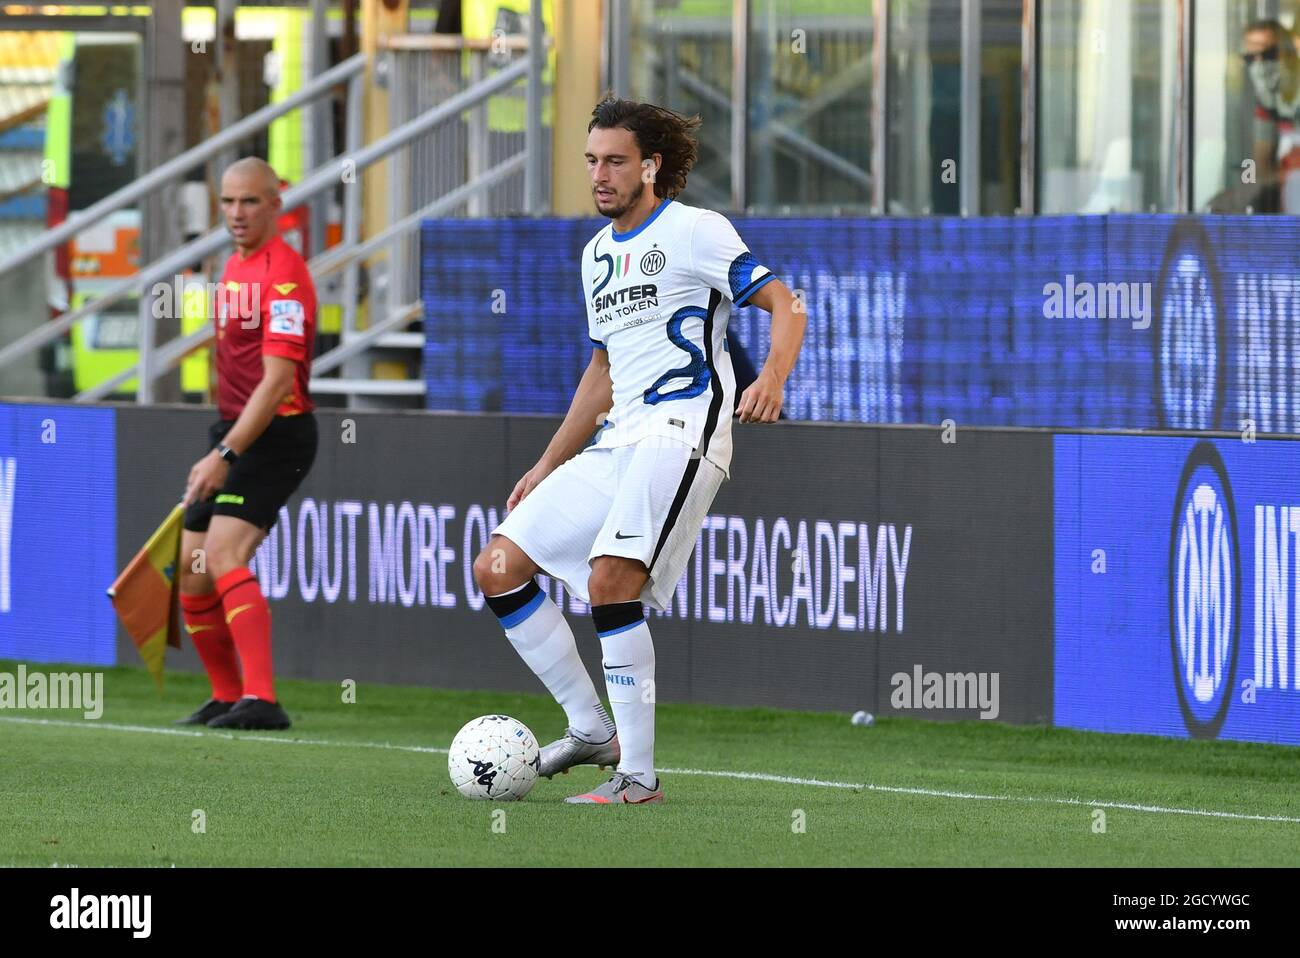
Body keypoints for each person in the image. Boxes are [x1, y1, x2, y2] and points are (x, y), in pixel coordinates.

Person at [472, 96, 806, 804]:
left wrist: (772, 377)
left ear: (651, 167)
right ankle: (591, 729)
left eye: (616, 161)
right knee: (498, 566)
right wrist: (547, 463)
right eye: (592, 160)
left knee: (610, 581)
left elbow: (786, 304)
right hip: (618, 440)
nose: (600, 174)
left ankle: (639, 777)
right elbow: (603, 372)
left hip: (682, 433)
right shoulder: (596, 256)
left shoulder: (695, 231)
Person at [175, 157, 319, 731]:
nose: (237, 213)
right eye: (228, 202)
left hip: (275, 434)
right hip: (234, 428)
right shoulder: (232, 265)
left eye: (250, 202)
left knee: (226, 555)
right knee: (191, 568)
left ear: (276, 203)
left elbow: (279, 381)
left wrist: (224, 455)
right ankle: (227, 694)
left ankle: (263, 700)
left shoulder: (284, 276)